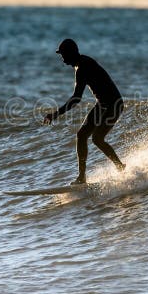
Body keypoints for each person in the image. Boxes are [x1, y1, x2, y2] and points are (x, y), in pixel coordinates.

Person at [43, 38, 125, 184]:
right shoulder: (81, 64)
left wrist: (55, 114)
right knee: (82, 135)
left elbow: (76, 98)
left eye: (63, 55)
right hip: (104, 104)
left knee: (97, 138)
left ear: (71, 53)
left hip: (113, 104)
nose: (62, 60)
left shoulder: (83, 67)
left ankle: (119, 168)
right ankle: (83, 177)